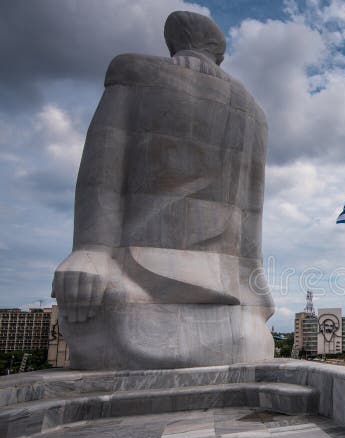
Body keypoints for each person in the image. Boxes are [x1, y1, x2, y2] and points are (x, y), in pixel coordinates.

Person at [51, 11, 274, 369]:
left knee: (93, 322)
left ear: (173, 42)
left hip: (140, 281)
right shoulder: (255, 113)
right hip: (236, 308)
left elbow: (101, 170)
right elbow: (252, 217)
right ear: (220, 52)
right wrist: (255, 291)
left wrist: (90, 250)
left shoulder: (135, 73)